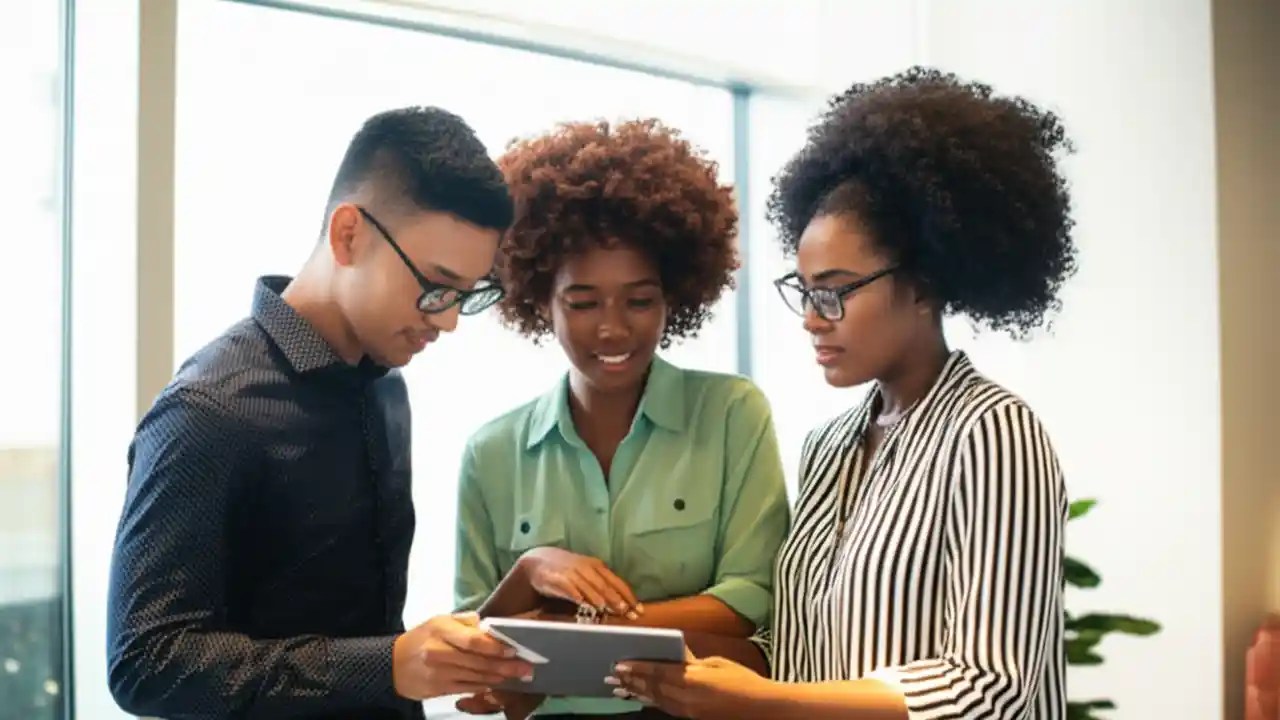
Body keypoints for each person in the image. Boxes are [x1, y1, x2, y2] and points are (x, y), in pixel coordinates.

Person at [616, 67, 1076, 719]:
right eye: (804, 291)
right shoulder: (828, 448)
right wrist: (643, 649)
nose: (811, 316)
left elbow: (988, 687)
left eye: (834, 290)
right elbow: (809, 654)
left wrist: (771, 703)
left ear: (922, 283)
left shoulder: (995, 433)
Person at [107, 107, 537, 720]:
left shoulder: (386, 385)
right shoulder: (209, 409)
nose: (445, 320)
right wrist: (385, 666)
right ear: (348, 235)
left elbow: (358, 620)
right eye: (435, 286)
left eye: (467, 297)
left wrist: (440, 659)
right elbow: (146, 661)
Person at [451, 118, 792, 719]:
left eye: (640, 300)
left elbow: (750, 599)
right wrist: (533, 570)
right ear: (538, 300)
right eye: (582, 303)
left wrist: (560, 625)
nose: (613, 328)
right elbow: (480, 657)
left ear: (675, 296)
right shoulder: (492, 453)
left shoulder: (732, 414)